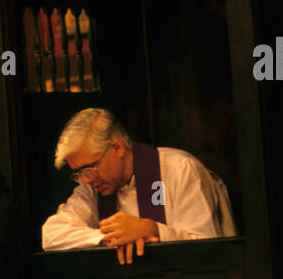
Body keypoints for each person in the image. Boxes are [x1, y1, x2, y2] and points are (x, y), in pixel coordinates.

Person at [41, 108, 236, 263]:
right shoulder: (91, 188)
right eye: (78, 173)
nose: (85, 179)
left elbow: (209, 247)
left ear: (117, 148)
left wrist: (154, 230)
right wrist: (113, 236)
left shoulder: (179, 169)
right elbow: (51, 235)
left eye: (90, 168)